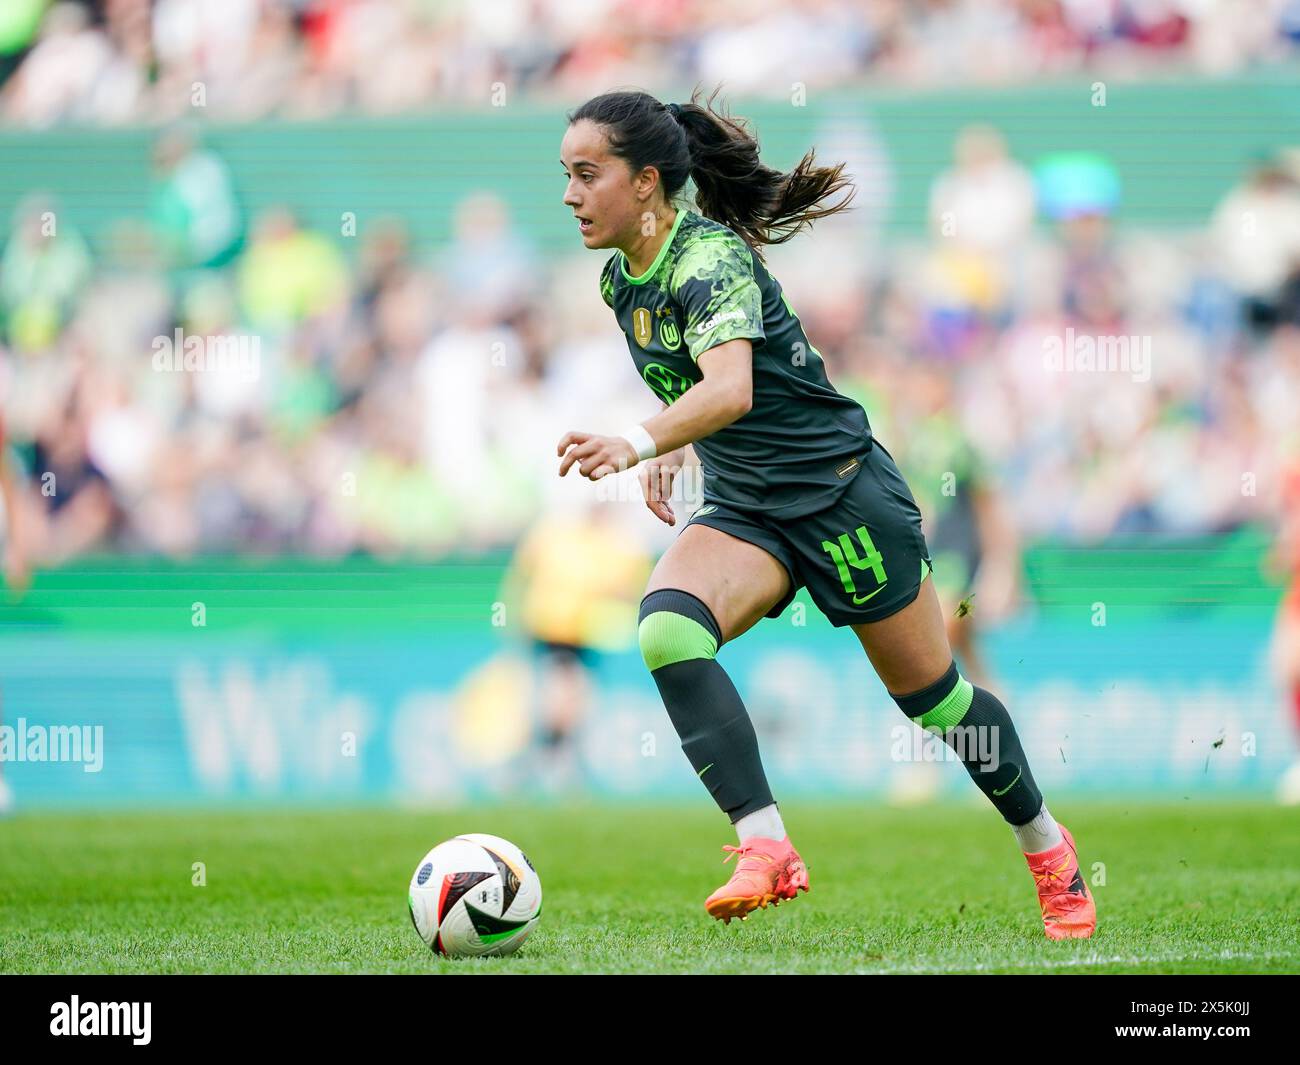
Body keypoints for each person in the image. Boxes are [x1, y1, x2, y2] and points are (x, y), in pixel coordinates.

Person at [555, 88, 1095, 939]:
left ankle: (1047, 845)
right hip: (748, 507)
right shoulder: (621, 280)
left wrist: (637, 440)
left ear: (648, 181)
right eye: (566, 176)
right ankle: (764, 843)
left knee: (938, 701)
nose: (570, 194)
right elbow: (714, 383)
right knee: (665, 630)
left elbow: (732, 386)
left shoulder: (709, 261)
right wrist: (675, 444)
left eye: (588, 174)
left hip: (843, 495)